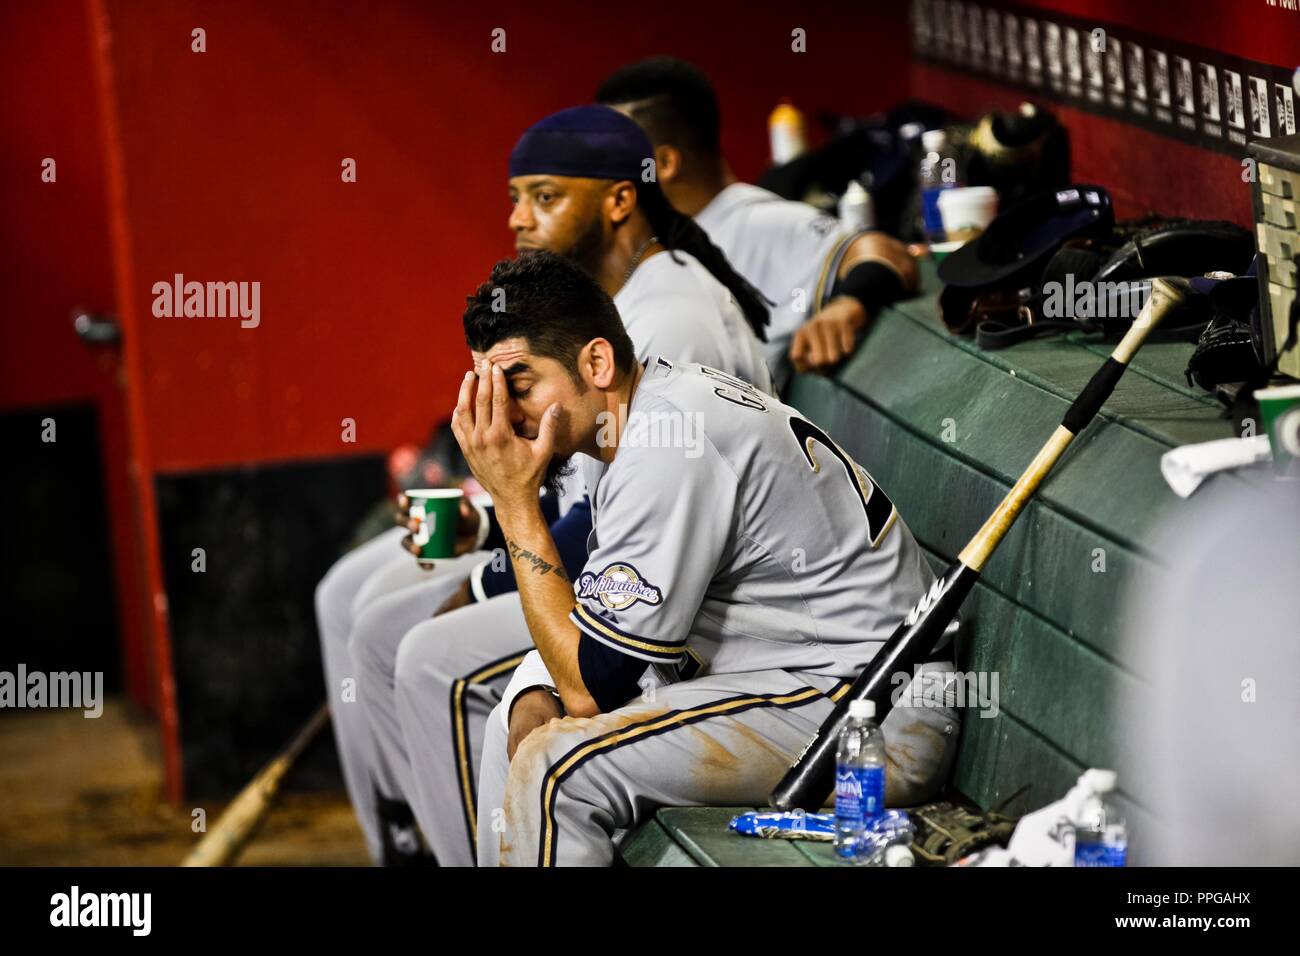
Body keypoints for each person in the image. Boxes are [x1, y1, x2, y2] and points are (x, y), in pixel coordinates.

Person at [348, 105, 774, 864]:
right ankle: (420, 840)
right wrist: (490, 532)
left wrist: (494, 554)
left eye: (544, 196)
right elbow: (598, 499)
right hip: (671, 585)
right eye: (516, 198)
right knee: (373, 608)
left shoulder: (667, 324)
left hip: (759, 640)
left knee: (432, 663)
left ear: (619, 200)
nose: (518, 218)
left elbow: (597, 656)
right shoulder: (615, 325)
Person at [450, 251, 960, 866]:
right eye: (488, 391)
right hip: (801, 681)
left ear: (597, 362)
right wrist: (537, 685)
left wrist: (513, 504)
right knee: (513, 715)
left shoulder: (667, 442)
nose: (502, 417)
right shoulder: (632, 419)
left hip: (869, 710)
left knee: (556, 771)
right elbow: (595, 628)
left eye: (520, 386)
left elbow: (589, 687)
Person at [595, 56, 919, 388]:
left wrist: (848, 306)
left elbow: (886, 252)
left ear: (663, 163)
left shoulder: (758, 220)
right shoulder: (646, 240)